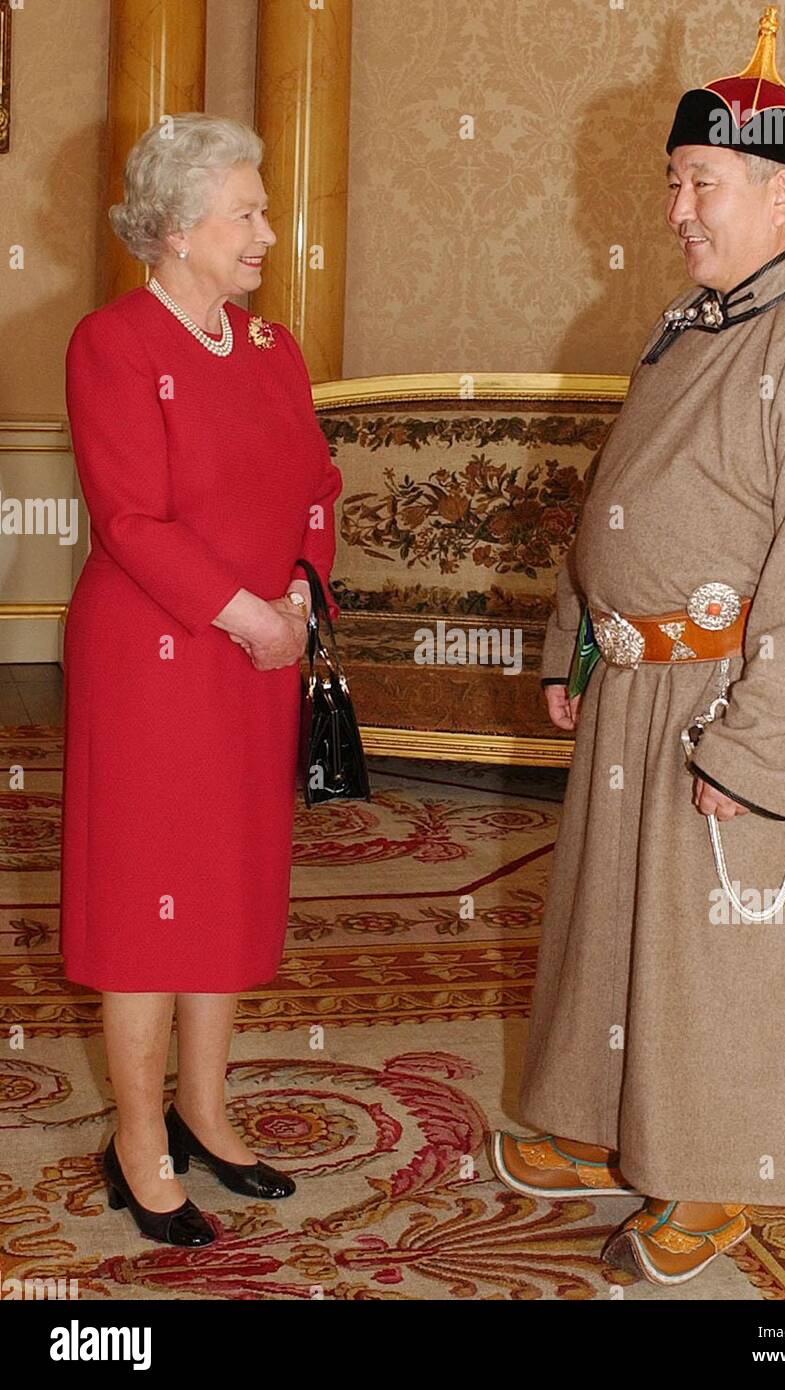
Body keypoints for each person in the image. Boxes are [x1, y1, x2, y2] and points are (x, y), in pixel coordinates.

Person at [490, 6, 785, 1285]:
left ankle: (717, 1170)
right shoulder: (695, 323)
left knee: (725, 956)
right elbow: (618, 498)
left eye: (701, 183)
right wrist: (578, 639)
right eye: (674, 181)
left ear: (782, 194)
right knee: (622, 926)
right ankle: (619, 1120)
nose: (676, 207)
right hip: (635, 682)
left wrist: (757, 748)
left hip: (730, 698)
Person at [61, 113, 342, 1246]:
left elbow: (319, 486)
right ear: (178, 230)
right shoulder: (112, 343)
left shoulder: (274, 350)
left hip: (256, 654)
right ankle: (137, 1141)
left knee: (223, 882)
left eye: (265, 209)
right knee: (147, 898)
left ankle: (207, 1113)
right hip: (157, 662)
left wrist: (299, 601)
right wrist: (243, 617)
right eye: (249, 211)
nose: (268, 232)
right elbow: (132, 516)